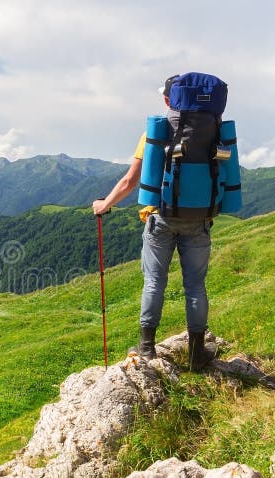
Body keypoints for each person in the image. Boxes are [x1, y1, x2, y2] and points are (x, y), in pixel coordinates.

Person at [92, 75, 215, 370]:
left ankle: (147, 348)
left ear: (167, 100)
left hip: (159, 217)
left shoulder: (156, 132)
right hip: (199, 218)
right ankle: (197, 354)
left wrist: (104, 205)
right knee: (195, 284)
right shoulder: (214, 131)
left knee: (155, 281)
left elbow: (131, 180)